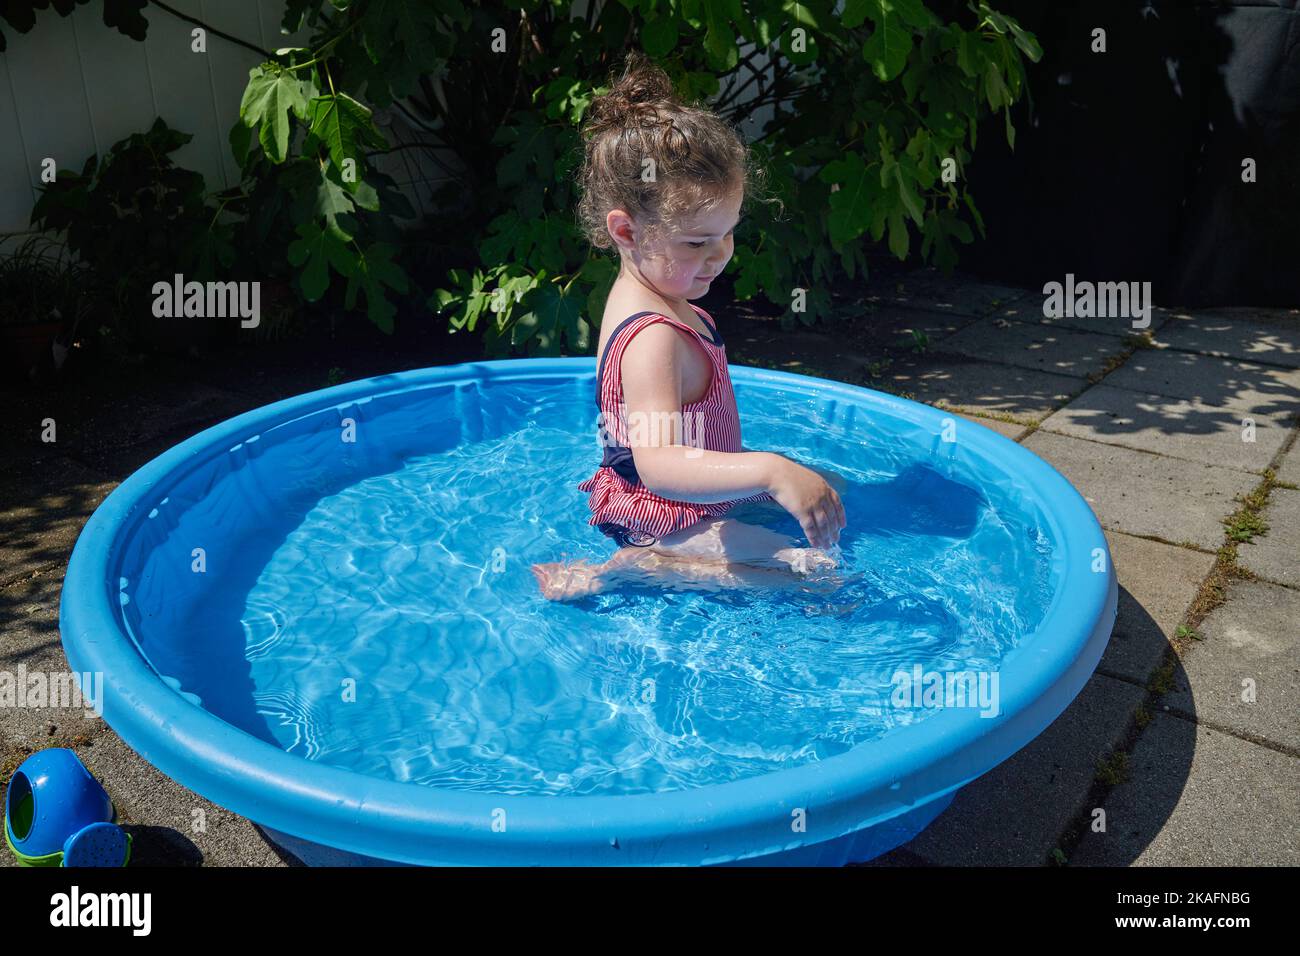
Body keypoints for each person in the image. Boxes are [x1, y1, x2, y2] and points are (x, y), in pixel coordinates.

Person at [532, 51, 846, 601]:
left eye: (728, 232)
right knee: (811, 573)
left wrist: (779, 476)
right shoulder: (651, 336)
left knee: (829, 493)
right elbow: (658, 465)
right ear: (626, 231)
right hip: (660, 515)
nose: (719, 255)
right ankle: (632, 567)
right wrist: (771, 470)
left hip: (695, 497)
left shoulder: (662, 287)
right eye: (697, 242)